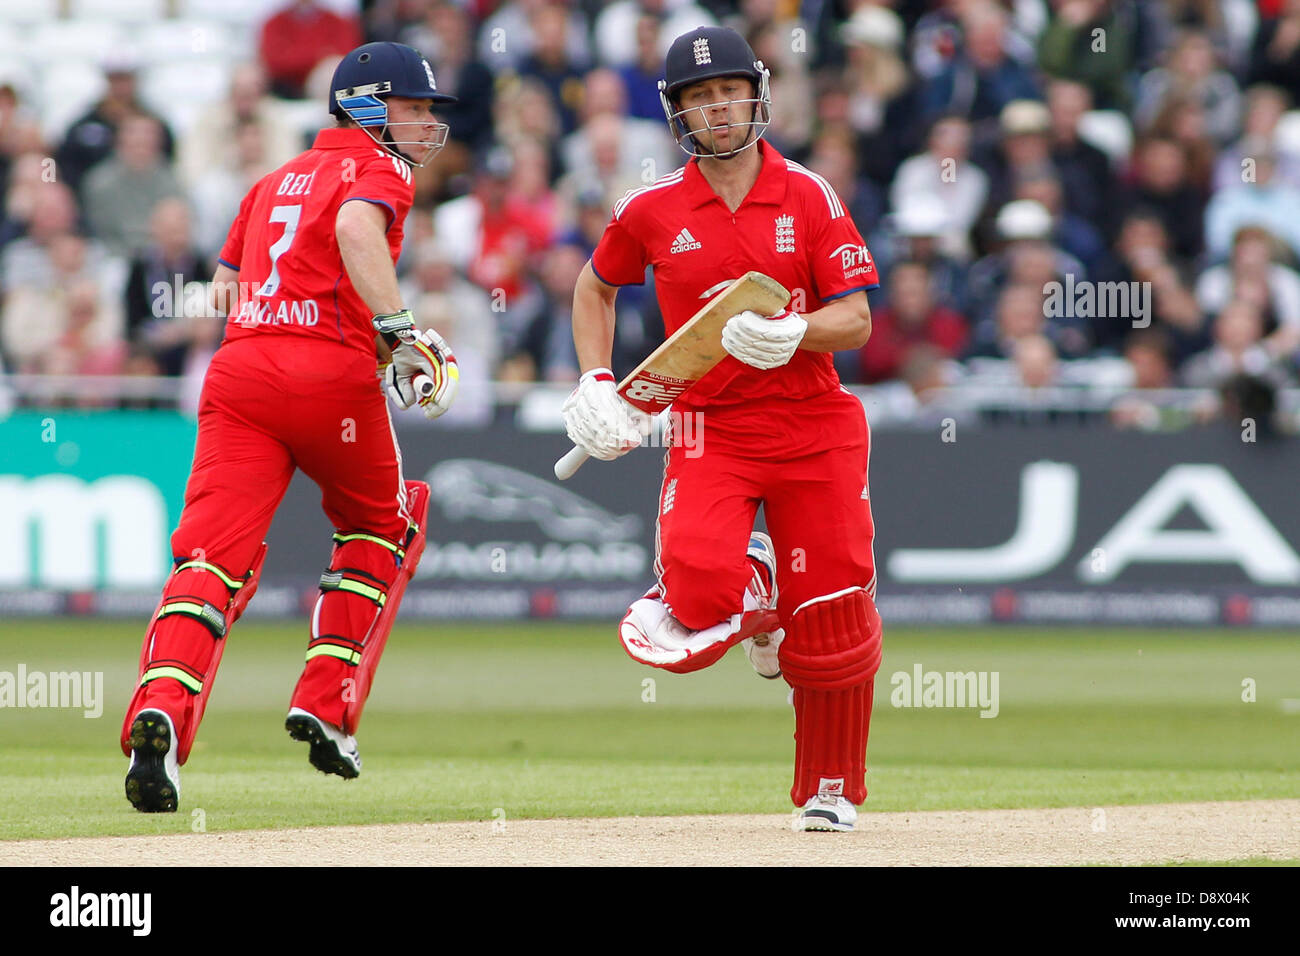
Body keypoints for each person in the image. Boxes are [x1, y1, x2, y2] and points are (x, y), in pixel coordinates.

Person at [119, 42, 461, 813]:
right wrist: (400, 331)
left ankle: (160, 717)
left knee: (208, 559)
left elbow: (225, 292)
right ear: (369, 106)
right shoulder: (382, 169)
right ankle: (327, 702)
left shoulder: (272, 180)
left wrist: (332, 329)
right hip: (327, 383)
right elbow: (353, 233)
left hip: (240, 377)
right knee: (386, 525)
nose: (427, 122)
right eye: (414, 106)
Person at [562, 26, 881, 832]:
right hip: (709, 427)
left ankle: (831, 786)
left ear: (758, 93)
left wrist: (794, 332)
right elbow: (593, 290)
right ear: (678, 115)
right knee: (695, 595)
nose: (719, 108)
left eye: (730, 90)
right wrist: (597, 380)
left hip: (814, 421)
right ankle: (752, 582)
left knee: (833, 612)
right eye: (700, 98)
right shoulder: (653, 209)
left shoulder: (807, 194)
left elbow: (857, 320)